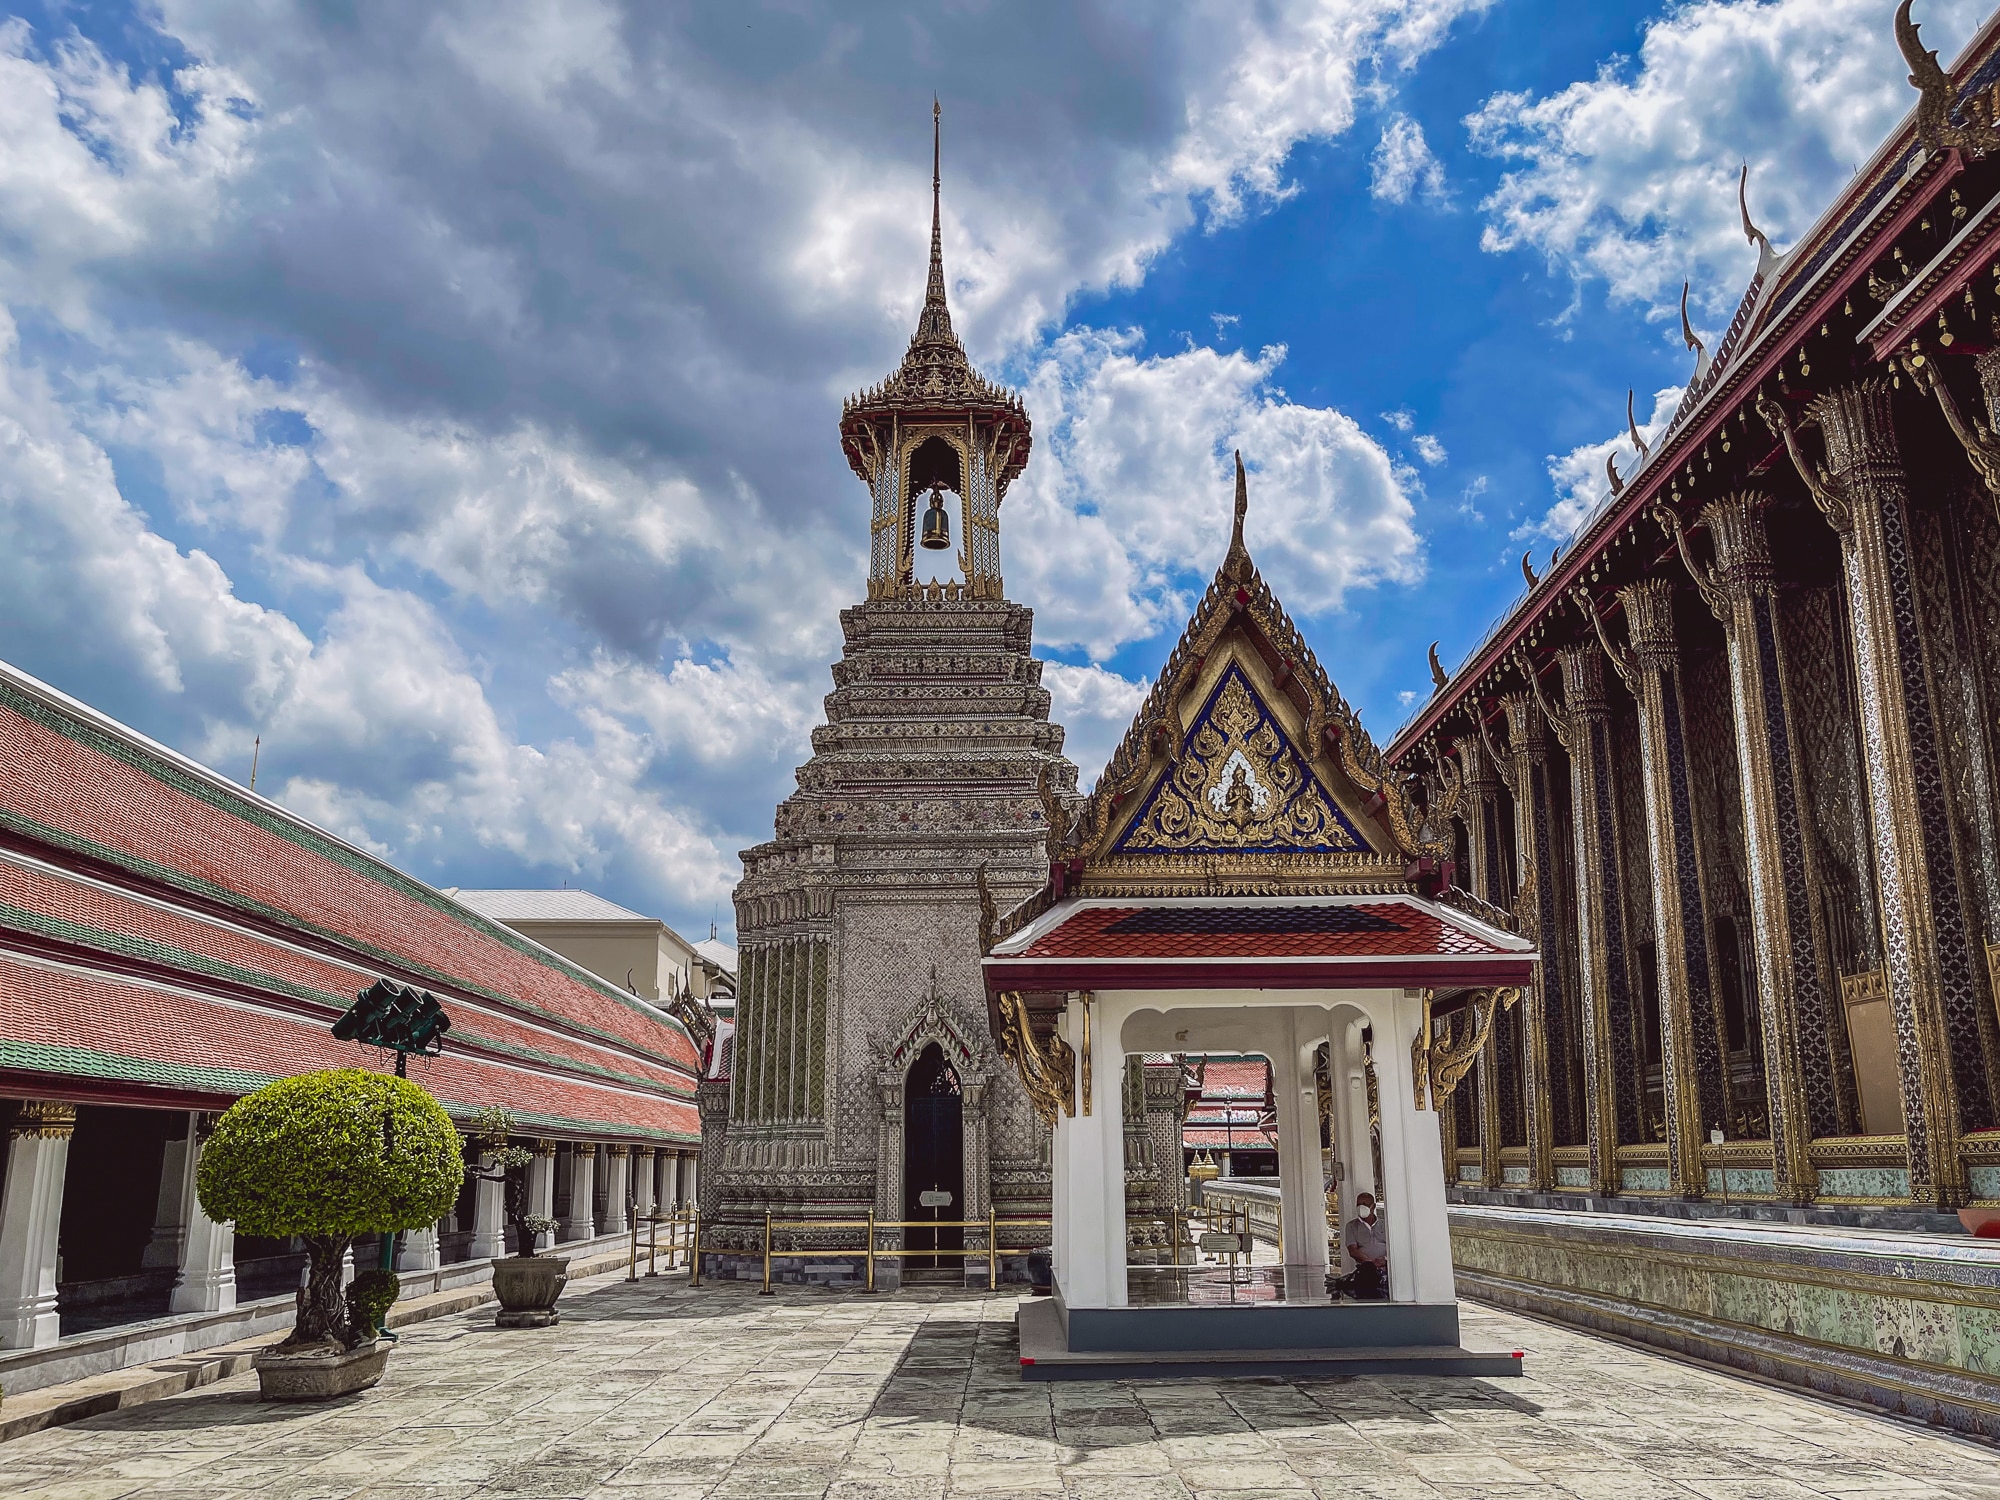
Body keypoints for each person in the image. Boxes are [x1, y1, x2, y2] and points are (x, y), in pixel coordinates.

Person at [1332, 1191, 1387, 1299]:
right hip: (1366, 1268)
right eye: (1359, 1205)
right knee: (1367, 1274)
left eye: (1365, 1204)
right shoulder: (1352, 1226)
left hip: (1386, 1266)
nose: (1361, 1207)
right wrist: (1370, 1262)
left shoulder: (1385, 1225)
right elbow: (1353, 1250)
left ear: (1373, 1206)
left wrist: (1385, 1260)